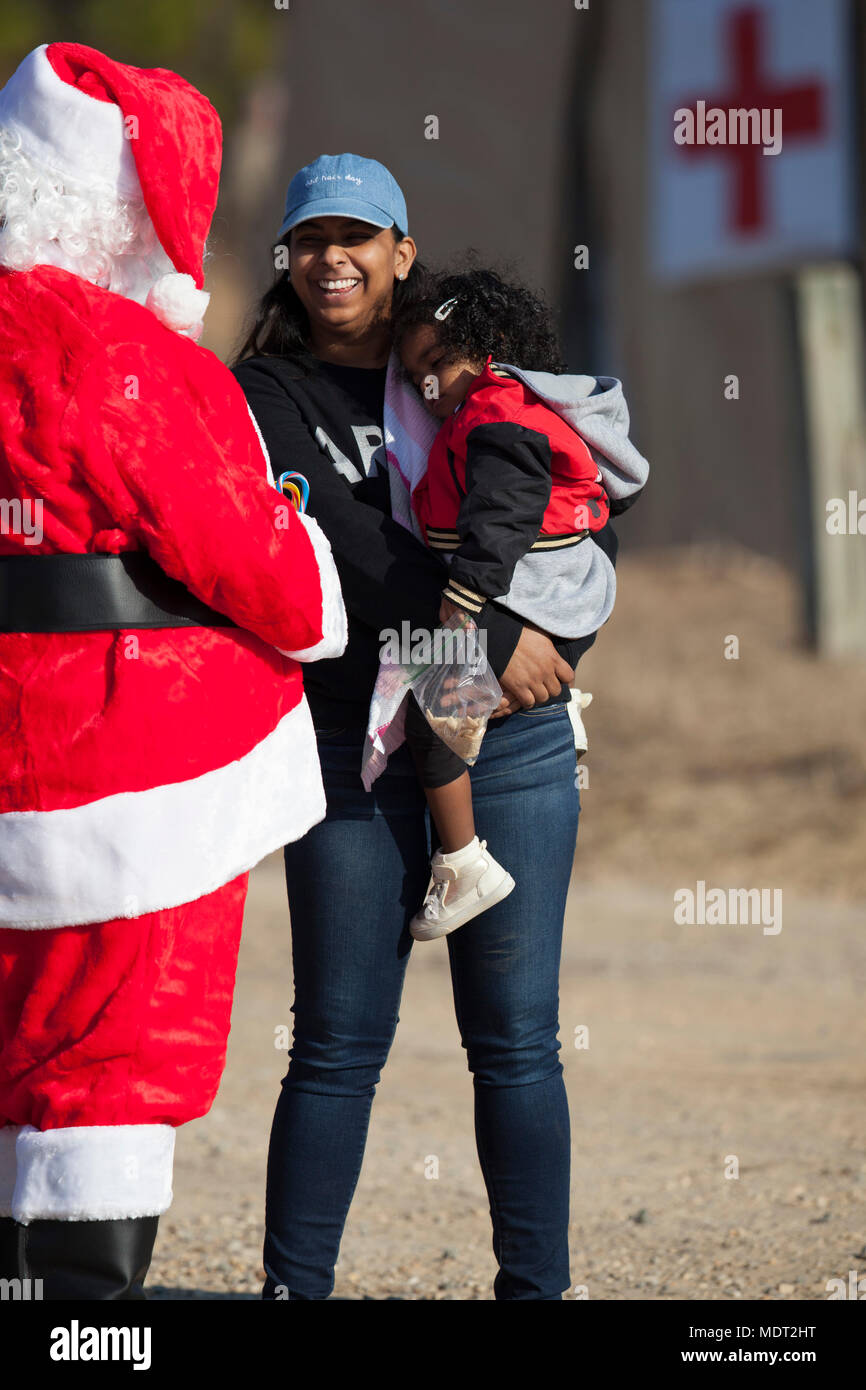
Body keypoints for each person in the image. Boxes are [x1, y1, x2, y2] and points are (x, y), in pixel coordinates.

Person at [234, 151, 641, 1301]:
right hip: (346, 746)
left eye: (357, 238)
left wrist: (550, 642)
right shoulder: (262, 395)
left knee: (514, 1041)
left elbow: (568, 492)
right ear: (289, 260)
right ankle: (291, 1290)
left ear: (398, 254)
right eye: (310, 239)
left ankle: (536, 1291)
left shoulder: (452, 364)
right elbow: (340, 560)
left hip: (504, 743)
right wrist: (480, 636)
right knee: (334, 1045)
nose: (332, 259)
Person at [0, 43, 345, 1300]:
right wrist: (317, 579)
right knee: (107, 1058)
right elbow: (261, 568)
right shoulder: (128, 361)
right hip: (124, 771)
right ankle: (84, 1310)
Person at [381, 264, 648, 941]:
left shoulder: (497, 415)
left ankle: (464, 863)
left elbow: (504, 510)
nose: (429, 385)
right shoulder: (501, 406)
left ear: (492, 341)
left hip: (530, 596)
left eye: (439, 362)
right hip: (562, 594)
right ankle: (561, 701)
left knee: (430, 716)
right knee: (450, 702)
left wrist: (463, 598)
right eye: (416, 378)